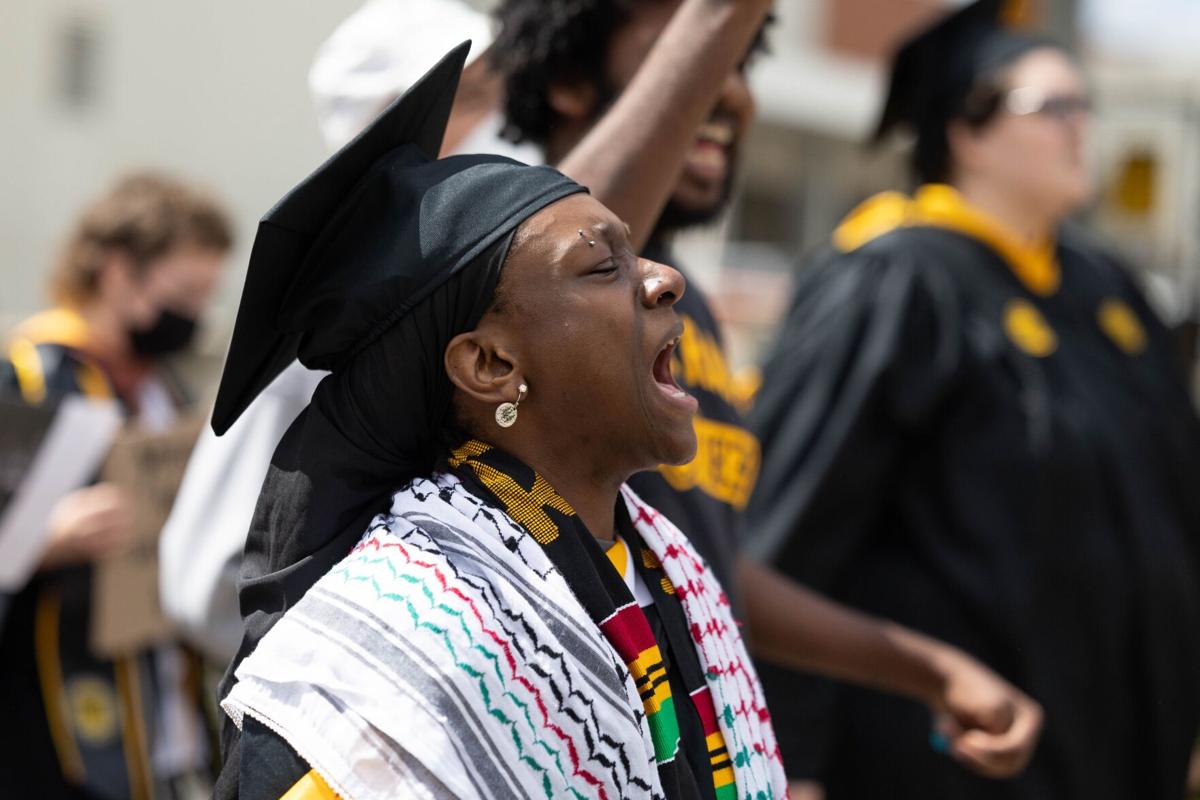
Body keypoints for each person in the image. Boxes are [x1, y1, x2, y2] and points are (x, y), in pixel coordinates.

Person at [212, 44, 787, 799]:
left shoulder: (662, 565)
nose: (666, 279)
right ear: (490, 365)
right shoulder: (411, 662)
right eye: (602, 267)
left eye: (638, 253)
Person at [746, 2, 1200, 798]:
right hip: (953, 758)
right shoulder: (894, 283)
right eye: (1053, 107)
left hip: (1114, 753)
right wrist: (793, 763)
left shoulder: (1103, 287)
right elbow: (789, 541)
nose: (1082, 128)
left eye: (1084, 105)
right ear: (967, 132)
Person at [0, 173, 232, 798]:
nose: (195, 315)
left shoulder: (165, 390)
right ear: (117, 272)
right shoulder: (27, 377)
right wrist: (46, 538)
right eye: (183, 293)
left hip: (164, 703)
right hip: (48, 720)